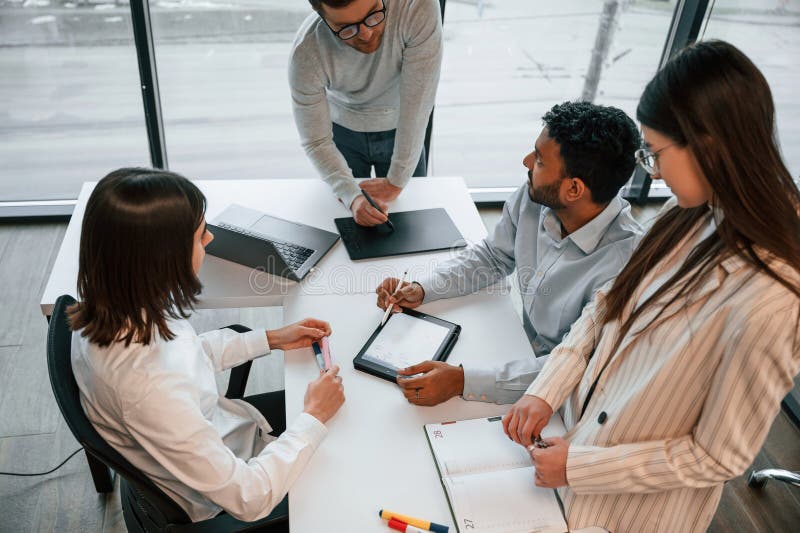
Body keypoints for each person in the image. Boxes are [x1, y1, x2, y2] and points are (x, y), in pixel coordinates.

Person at [502, 40, 800, 532]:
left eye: (656, 153)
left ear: (707, 146)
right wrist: (546, 389)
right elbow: (607, 306)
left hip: (630, 505)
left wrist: (581, 466)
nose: (654, 172)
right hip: (579, 437)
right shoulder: (690, 207)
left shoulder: (772, 299)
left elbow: (716, 456)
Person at [69, 168, 345, 523]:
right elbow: (249, 497)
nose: (211, 238)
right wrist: (313, 416)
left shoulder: (117, 302)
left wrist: (271, 338)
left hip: (223, 432)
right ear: (161, 256)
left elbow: (187, 353)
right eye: (200, 235)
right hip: (231, 491)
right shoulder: (147, 387)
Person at [375, 101, 643, 406]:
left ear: (574, 189)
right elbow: (493, 256)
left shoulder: (625, 267)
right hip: (512, 346)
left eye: (540, 160)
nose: (526, 161)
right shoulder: (535, 197)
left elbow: (575, 363)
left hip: (560, 394)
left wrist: (463, 381)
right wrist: (423, 289)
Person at [290, 0, 443, 226]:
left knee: (411, 222)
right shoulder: (306, 53)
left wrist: (397, 180)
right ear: (322, 16)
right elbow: (316, 141)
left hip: (404, 126)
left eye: (373, 15)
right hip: (342, 133)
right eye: (346, 28)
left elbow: (417, 106)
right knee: (346, 223)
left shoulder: (417, 6)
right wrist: (352, 198)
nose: (366, 34)